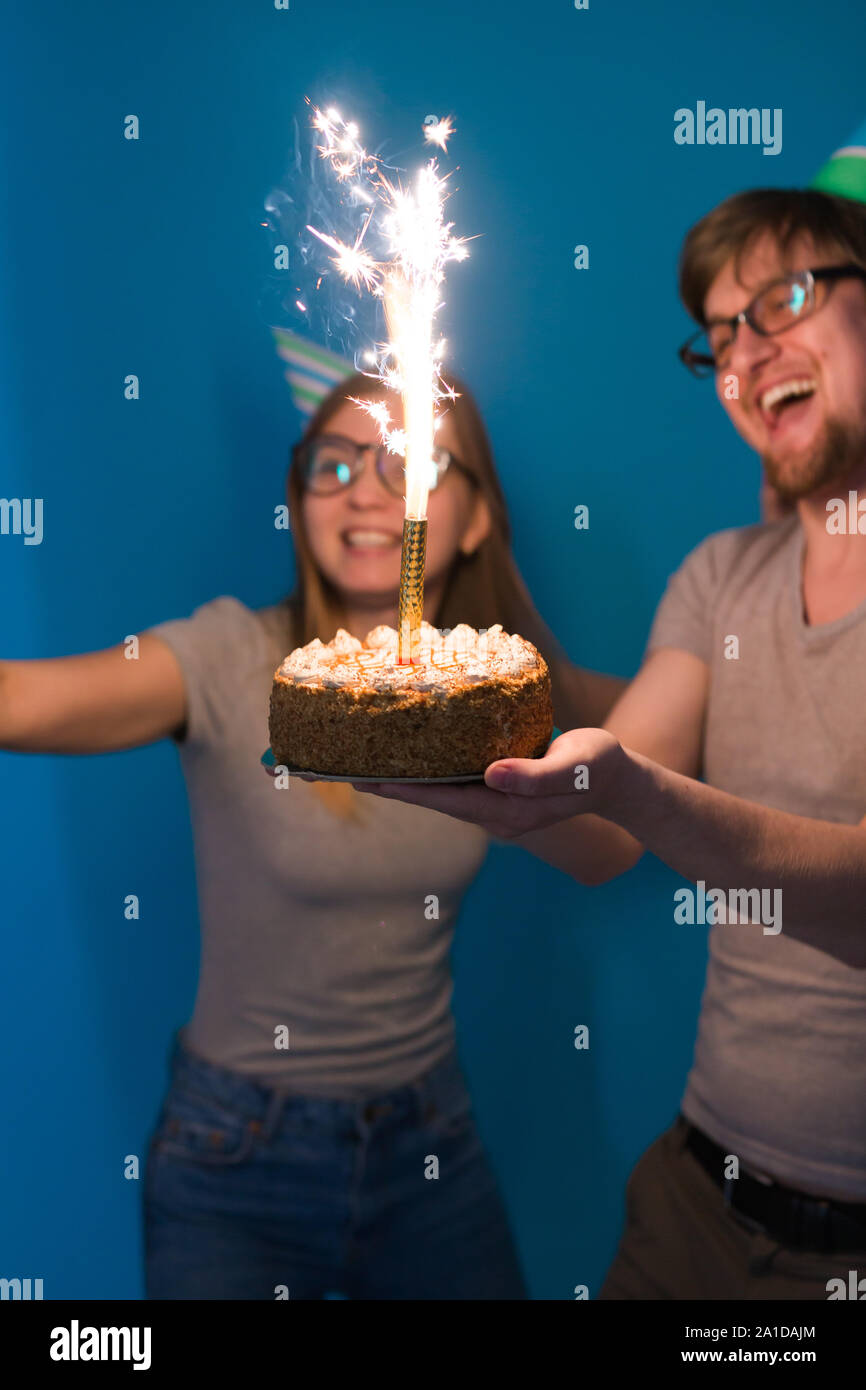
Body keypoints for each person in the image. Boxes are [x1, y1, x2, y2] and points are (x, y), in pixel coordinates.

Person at [0, 369, 623, 1300]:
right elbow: (18, 700)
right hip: (235, 1151)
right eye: (331, 465)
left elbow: (622, 830)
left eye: (403, 462)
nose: (366, 488)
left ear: (478, 516)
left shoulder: (504, 690)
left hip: (430, 1143)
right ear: (298, 501)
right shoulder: (229, 656)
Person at [356, 187, 866, 1298]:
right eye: (720, 332)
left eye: (782, 297)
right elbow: (601, 831)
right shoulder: (718, 578)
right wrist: (491, 775)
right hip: (694, 1208)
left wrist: (628, 790)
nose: (744, 349)